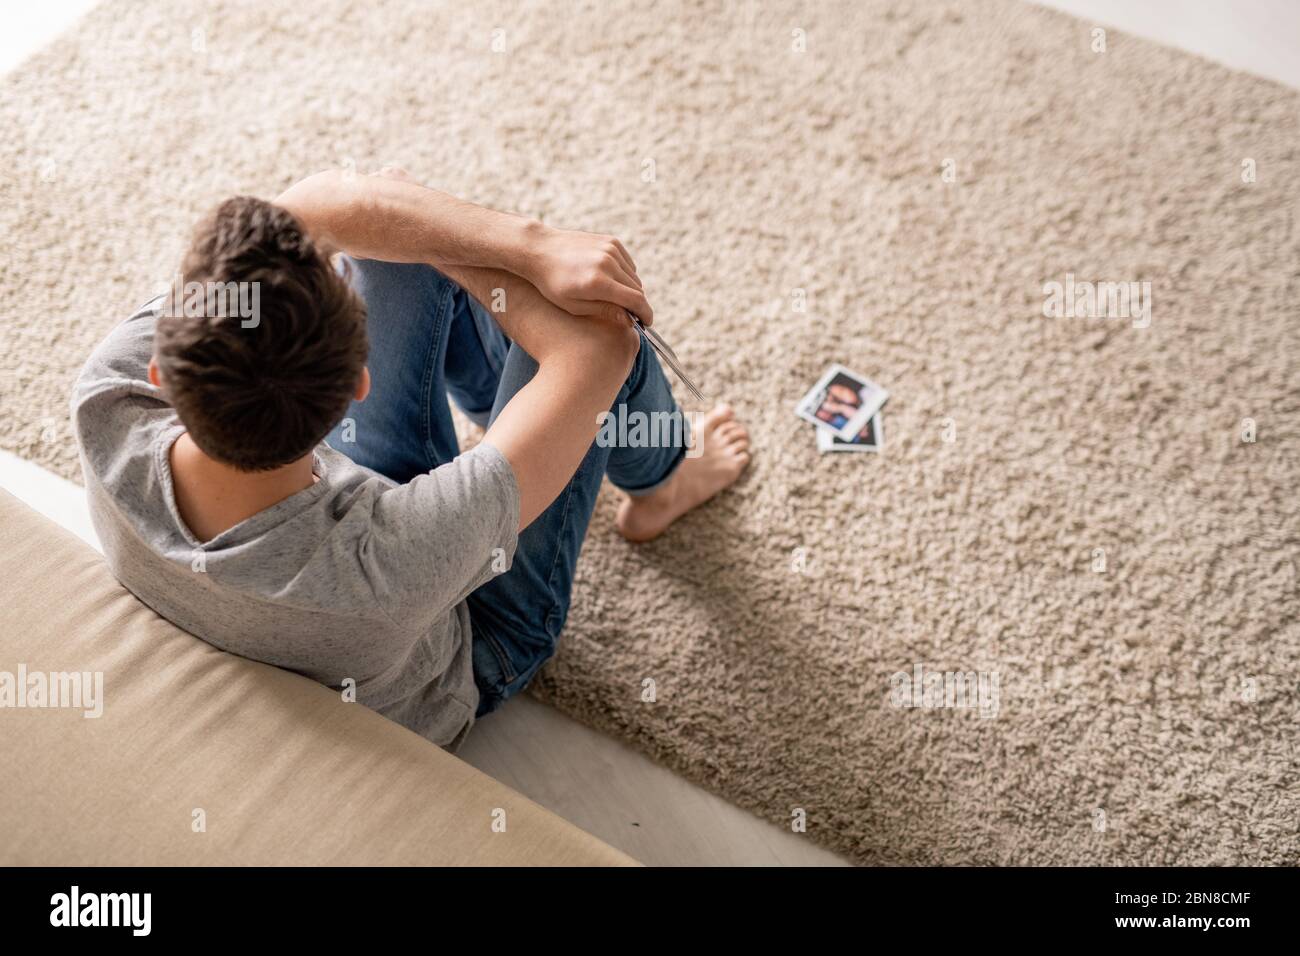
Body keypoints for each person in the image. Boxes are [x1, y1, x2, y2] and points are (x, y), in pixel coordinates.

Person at [71, 167, 751, 747]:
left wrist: (526, 246)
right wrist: (448, 247)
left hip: (356, 549)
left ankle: (526, 422)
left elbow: (318, 207)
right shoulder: (382, 567)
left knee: (399, 244)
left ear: (162, 371)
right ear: (355, 392)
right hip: (477, 634)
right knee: (598, 331)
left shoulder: (109, 396)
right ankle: (663, 483)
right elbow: (601, 342)